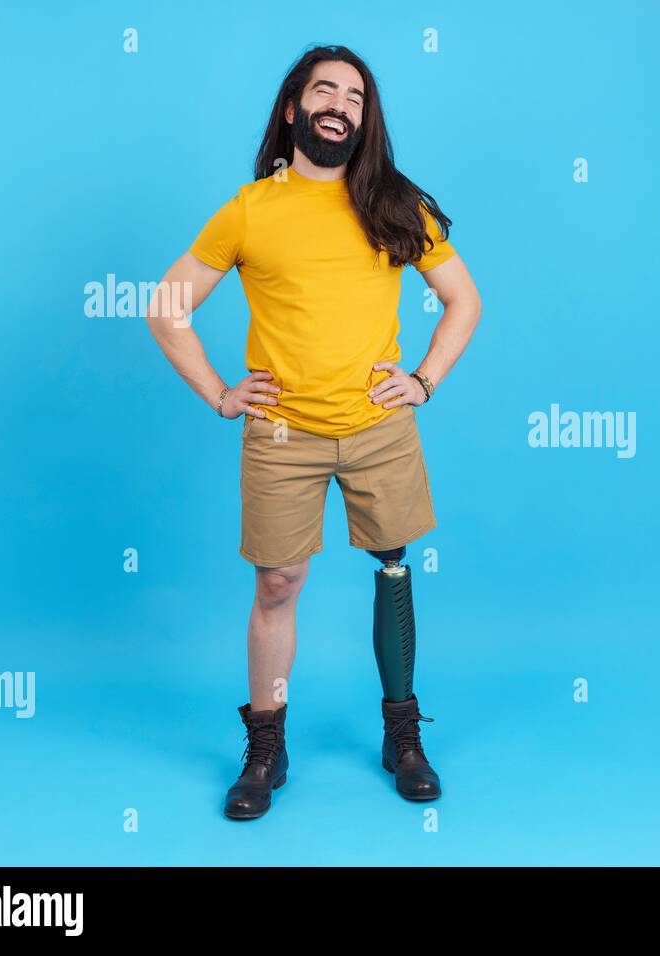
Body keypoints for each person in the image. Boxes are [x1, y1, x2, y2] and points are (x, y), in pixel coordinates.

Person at [145, 44, 481, 819]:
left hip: (379, 429)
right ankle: (266, 745)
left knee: (393, 568)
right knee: (277, 583)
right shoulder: (249, 210)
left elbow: (465, 301)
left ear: (365, 119)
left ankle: (403, 737)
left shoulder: (395, 203)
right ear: (293, 108)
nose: (339, 104)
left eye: (354, 96)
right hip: (282, 434)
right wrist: (222, 394)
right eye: (323, 90)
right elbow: (167, 306)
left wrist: (423, 381)